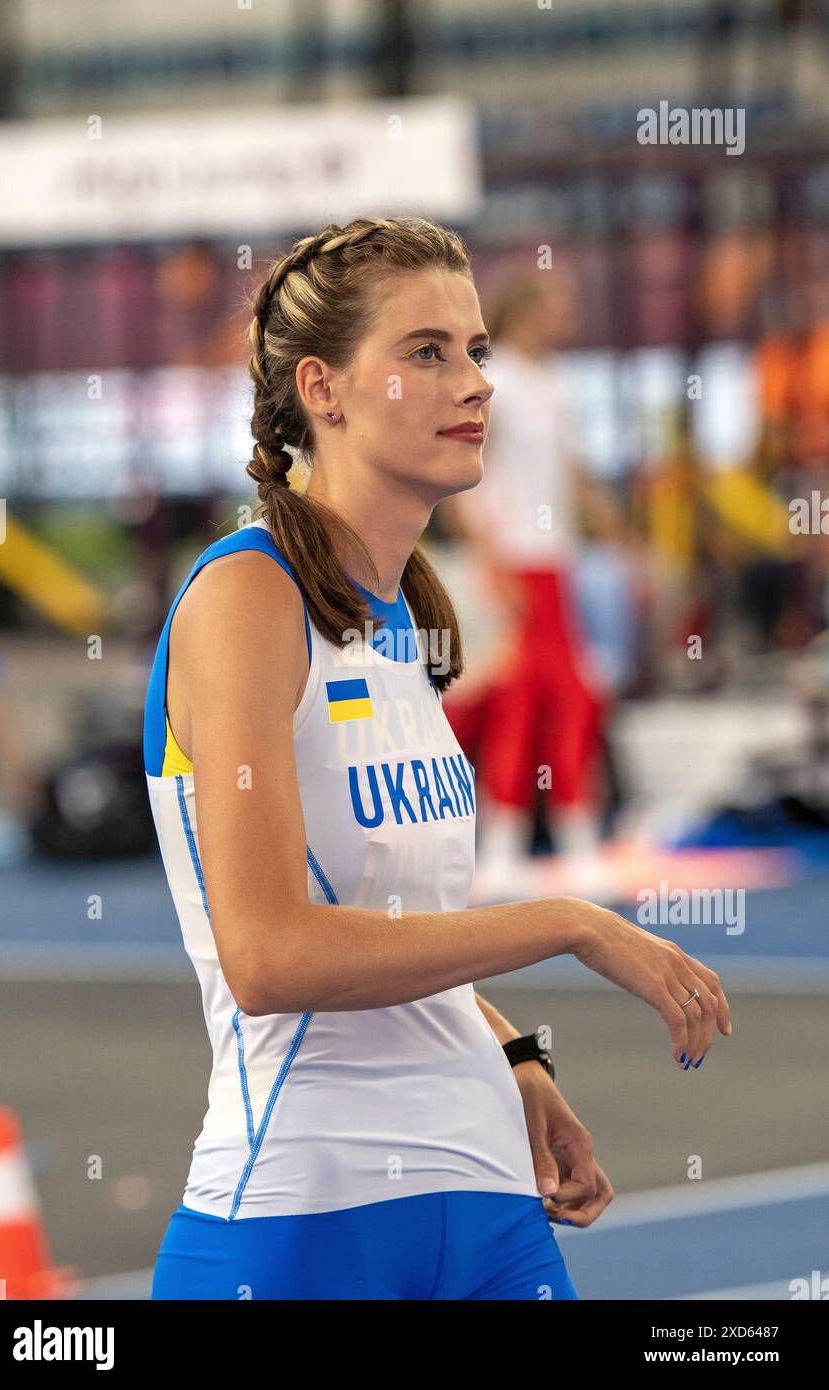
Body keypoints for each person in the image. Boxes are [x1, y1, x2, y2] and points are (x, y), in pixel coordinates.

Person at [143, 216, 732, 1301]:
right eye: (425, 352)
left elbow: (399, 921)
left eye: (474, 351)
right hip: (303, 1216)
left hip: (485, 1190)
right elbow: (268, 956)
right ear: (321, 389)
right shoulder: (244, 596)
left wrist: (511, 1058)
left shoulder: (404, 618)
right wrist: (569, 920)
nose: (472, 382)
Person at [445, 272, 612, 888]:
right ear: (529, 312)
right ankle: (524, 845)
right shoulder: (498, 384)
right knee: (534, 700)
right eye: (557, 306)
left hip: (555, 561)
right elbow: (468, 481)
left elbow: (572, 476)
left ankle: (537, 842)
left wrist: (618, 542)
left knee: (559, 700)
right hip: (514, 559)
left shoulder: (555, 383)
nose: (566, 316)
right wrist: (489, 559)